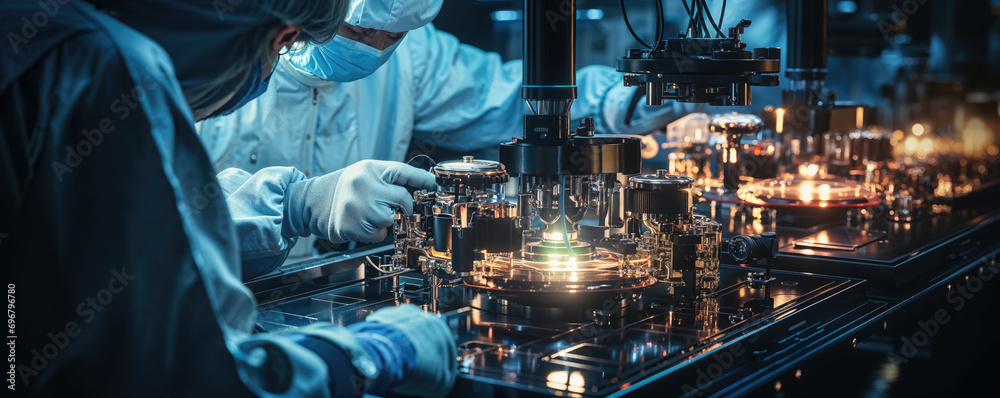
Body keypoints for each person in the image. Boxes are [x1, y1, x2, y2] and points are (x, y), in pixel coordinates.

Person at [0, 1, 455, 397]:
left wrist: (295, 205)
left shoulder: (48, 34)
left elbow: (133, 246)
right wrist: (366, 357)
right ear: (282, 36)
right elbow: (198, 377)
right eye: (280, 52)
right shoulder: (107, 70)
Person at [199, 0, 706, 271]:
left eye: (392, 37)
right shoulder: (210, 59)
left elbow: (511, 97)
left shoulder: (414, 58)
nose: (377, 48)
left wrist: (647, 95)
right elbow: (150, 212)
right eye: (358, 33)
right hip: (208, 316)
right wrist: (296, 204)